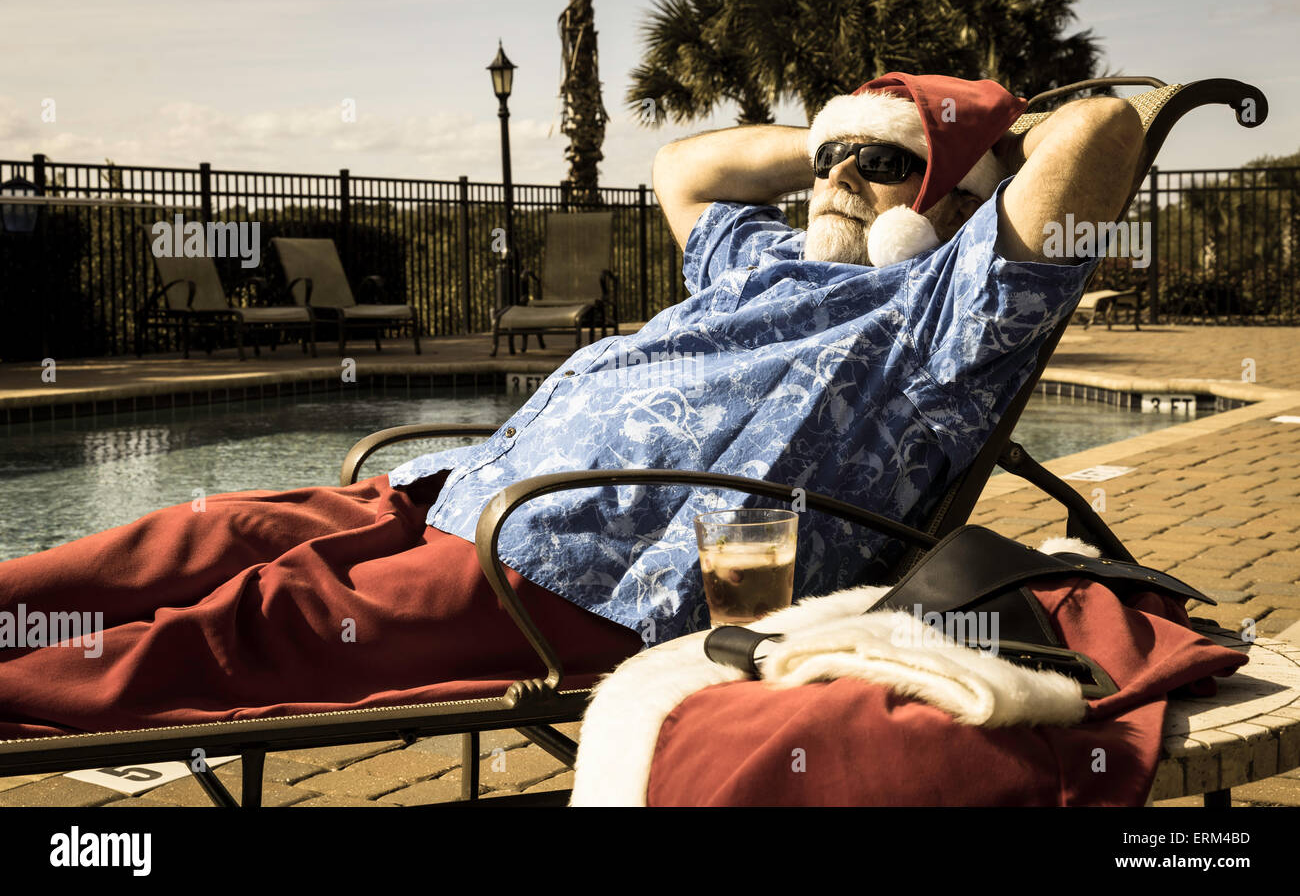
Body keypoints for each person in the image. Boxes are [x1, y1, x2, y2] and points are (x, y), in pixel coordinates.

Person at [0, 72, 1143, 738]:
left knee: (265, 615)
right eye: (830, 155)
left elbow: (1104, 129)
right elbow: (681, 167)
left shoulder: (945, 315)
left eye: (876, 165)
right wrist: (842, 140)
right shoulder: (763, 260)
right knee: (200, 531)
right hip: (465, 489)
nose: (838, 176)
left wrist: (959, 135)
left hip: (591, 566)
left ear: (949, 200)